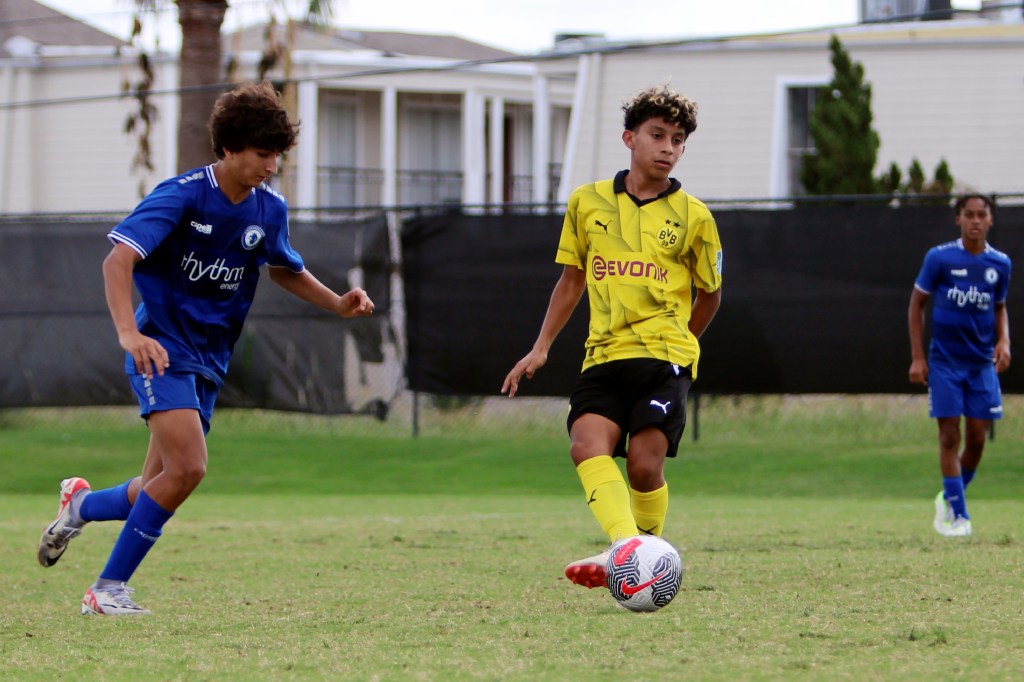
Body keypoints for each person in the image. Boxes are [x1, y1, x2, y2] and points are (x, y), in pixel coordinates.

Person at [37, 81, 375, 615]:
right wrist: (129, 334)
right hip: (161, 350)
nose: (271, 166)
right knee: (189, 468)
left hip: (210, 359)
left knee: (156, 484)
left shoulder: (269, 209)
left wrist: (337, 303)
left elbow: (283, 267)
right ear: (229, 148)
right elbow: (117, 260)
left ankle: (80, 505)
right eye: (262, 154)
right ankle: (106, 590)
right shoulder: (182, 195)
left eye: (278, 155)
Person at [501, 85, 723, 589]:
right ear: (630, 138)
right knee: (586, 445)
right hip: (603, 355)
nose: (668, 147)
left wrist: (681, 342)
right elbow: (571, 279)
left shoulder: (695, 217)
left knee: (644, 468)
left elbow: (710, 294)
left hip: (664, 357)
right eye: (657, 135)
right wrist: (541, 347)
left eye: (678, 140)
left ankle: (628, 553)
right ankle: (628, 552)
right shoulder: (587, 202)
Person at [908, 193, 1011, 538]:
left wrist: (1004, 341)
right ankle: (959, 516)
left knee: (978, 438)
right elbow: (916, 304)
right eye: (969, 214)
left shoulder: (1000, 264)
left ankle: (949, 496)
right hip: (945, 363)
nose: (975, 221)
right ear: (959, 219)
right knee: (950, 434)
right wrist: (918, 357)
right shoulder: (939, 258)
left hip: (981, 364)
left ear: (990, 219)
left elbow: (999, 307)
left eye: (982, 214)